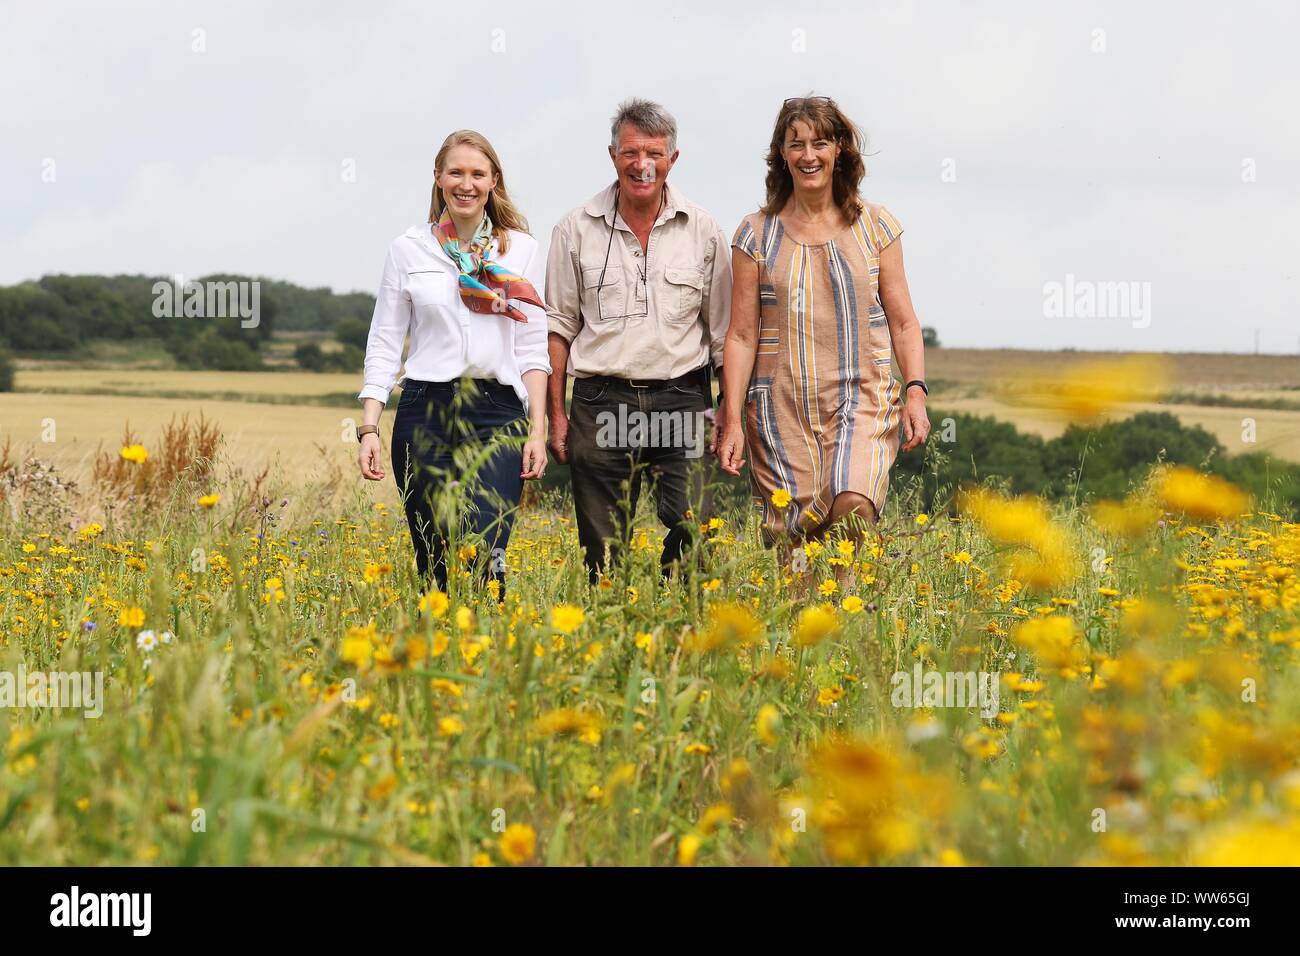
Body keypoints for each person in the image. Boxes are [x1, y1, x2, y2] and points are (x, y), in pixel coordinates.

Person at [716, 95, 930, 561]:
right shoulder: (754, 234)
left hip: (862, 397)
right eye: (796, 145)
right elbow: (740, 335)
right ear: (782, 155)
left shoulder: (876, 226)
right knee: (797, 549)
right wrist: (731, 419)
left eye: (820, 143)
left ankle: (852, 608)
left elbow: (904, 321)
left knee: (852, 505)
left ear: (839, 152)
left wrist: (915, 391)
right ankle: (815, 631)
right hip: (780, 404)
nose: (808, 155)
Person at [356, 130, 549, 603]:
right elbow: (384, 341)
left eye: (477, 174)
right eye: (456, 172)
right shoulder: (407, 249)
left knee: (489, 549)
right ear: (439, 179)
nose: (467, 183)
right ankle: (437, 659)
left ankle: (490, 656)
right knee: (433, 552)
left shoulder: (521, 250)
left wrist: (538, 429)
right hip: (426, 407)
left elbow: (532, 348)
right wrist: (367, 428)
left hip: (497, 410)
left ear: (493, 181)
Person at [545, 98, 732, 583]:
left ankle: (671, 620)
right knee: (603, 552)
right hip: (601, 399)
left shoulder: (704, 230)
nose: (641, 165)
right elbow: (558, 329)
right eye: (630, 152)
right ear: (612, 156)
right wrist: (556, 416)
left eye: (653, 153)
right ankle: (615, 630)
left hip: (683, 396)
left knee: (695, 526)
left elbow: (723, 335)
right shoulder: (574, 229)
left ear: (672, 159)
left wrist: (731, 411)